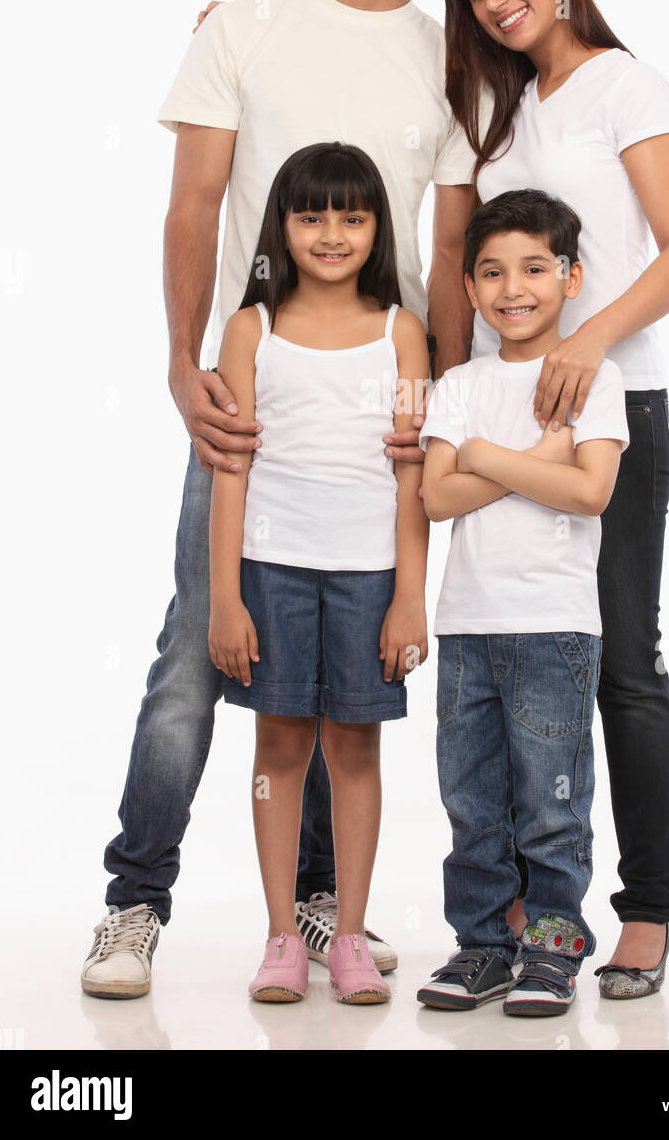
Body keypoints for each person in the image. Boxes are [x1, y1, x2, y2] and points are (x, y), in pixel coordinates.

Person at [81, 0, 476, 999]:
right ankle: (133, 903)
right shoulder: (243, 31)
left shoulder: (446, 57)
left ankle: (318, 911)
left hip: (382, 402)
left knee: (342, 678)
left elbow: (450, 244)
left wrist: (443, 406)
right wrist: (177, 362)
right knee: (200, 661)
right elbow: (192, 206)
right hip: (253, 395)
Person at [441, 0, 669, 996]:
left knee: (619, 663)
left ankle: (641, 910)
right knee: (508, 660)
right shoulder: (490, 109)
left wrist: (587, 347)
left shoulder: (623, 85)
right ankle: (515, 911)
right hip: (496, 412)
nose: (495, 1)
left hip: (612, 406)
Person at [208, 142, 429, 1004]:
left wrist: (409, 595)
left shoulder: (400, 332)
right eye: (311, 216)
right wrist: (226, 596)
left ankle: (346, 935)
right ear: (283, 227)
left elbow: (413, 472)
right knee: (280, 746)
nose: (332, 234)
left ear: (377, 227)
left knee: (356, 748)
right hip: (273, 571)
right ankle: (279, 937)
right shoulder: (249, 329)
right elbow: (232, 469)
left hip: (369, 575)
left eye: (353, 216)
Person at [415, 189, 629, 1015]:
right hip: (468, 625)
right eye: (493, 272)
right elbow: (434, 500)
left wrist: (483, 457)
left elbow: (589, 493)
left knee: (551, 801)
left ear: (571, 278)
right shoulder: (461, 382)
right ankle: (482, 948)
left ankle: (551, 948)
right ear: (468, 288)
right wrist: (535, 458)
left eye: (536, 268)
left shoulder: (591, 376)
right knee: (471, 800)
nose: (515, 288)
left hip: (555, 629)